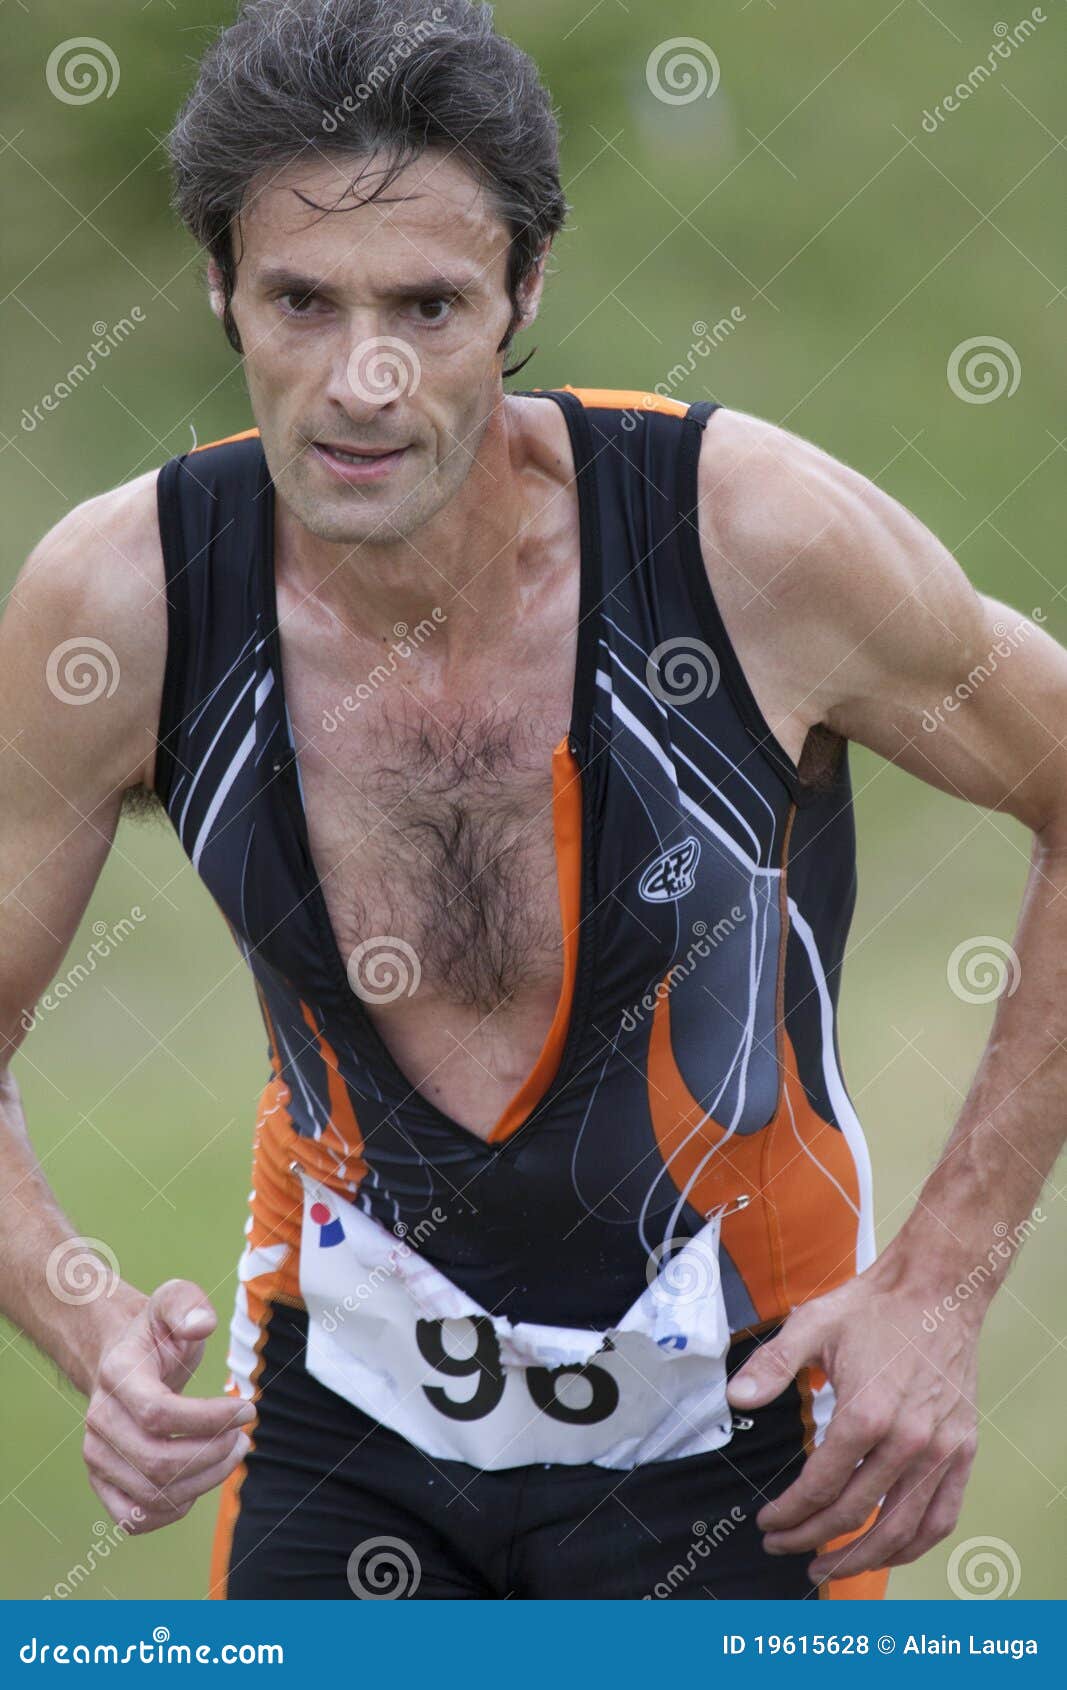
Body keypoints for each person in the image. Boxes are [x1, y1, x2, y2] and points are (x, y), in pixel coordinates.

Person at [1, 0, 1063, 1601]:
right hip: (343, 1418)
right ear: (221, 287)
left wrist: (941, 1279)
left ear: (526, 292)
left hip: (743, 1428)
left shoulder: (746, 543)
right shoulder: (125, 604)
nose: (362, 379)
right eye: (301, 299)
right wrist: (82, 1319)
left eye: (427, 305)